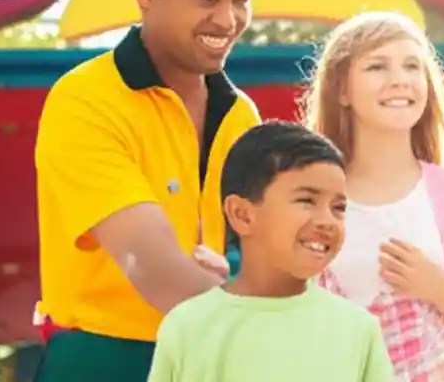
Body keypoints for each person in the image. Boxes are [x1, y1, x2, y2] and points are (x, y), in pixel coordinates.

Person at [32, 0, 261, 381]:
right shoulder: (86, 99)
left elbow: (264, 257)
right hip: (105, 364)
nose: (227, 20)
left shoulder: (241, 115)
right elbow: (152, 268)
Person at [302, 11, 444, 380]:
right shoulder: (312, 206)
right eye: (377, 67)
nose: (400, 81)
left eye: (411, 66)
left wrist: (437, 289)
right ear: (341, 90)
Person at [147, 120, 395, 382]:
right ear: (242, 215)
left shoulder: (357, 330)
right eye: (306, 200)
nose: (327, 221)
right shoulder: (188, 326)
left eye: (338, 208)